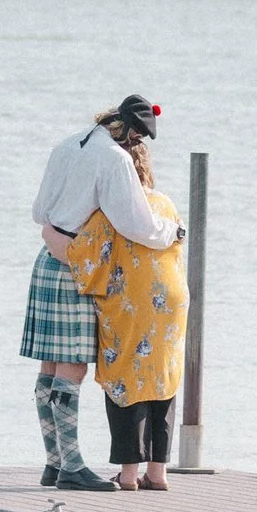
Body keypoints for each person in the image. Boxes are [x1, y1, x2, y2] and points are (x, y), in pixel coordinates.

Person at [22, 94, 180, 491]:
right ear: (128, 132)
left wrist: (57, 229)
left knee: (49, 368)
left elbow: (39, 212)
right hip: (81, 264)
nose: (135, 146)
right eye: (137, 139)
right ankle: (72, 468)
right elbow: (134, 224)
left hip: (48, 259)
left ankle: (54, 462)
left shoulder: (66, 145)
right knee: (72, 367)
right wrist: (171, 232)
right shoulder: (114, 158)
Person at [61, 131, 187, 491]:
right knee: (162, 377)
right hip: (172, 298)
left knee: (124, 380)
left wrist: (50, 234)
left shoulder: (111, 211)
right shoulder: (165, 203)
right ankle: (158, 472)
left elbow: (84, 258)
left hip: (131, 301)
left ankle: (129, 474)